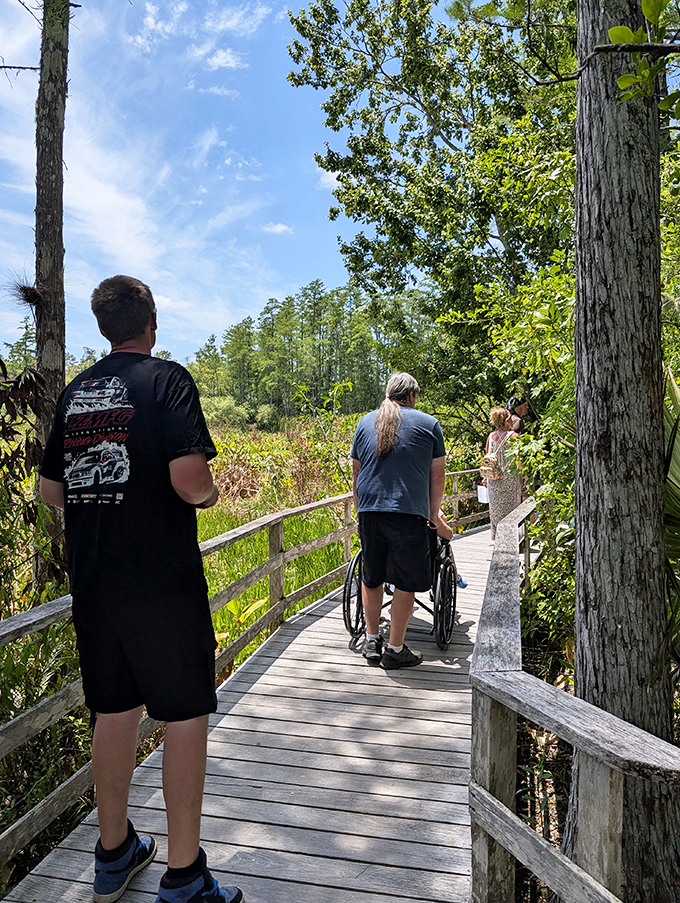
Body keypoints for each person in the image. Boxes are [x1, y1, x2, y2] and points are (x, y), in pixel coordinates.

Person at [39, 276, 242, 903]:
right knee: (182, 717)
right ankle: (183, 878)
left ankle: (113, 852)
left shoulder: (77, 392)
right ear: (151, 321)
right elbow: (188, 478)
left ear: (105, 326)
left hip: (96, 585)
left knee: (114, 711)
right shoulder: (167, 380)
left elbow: (51, 490)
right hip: (162, 583)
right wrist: (209, 492)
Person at [350, 372, 446, 669]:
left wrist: (360, 507)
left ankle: (371, 638)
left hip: (370, 510)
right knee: (406, 582)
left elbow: (356, 472)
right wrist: (433, 514)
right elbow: (438, 476)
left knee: (372, 575)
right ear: (412, 397)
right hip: (408, 514)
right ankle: (395, 648)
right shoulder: (429, 424)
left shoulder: (365, 422)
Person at [483, 406, 522, 541]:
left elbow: (488, 458)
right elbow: (520, 461)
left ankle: (498, 537)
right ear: (505, 420)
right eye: (510, 418)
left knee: (496, 510)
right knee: (512, 509)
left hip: (494, 481)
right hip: (511, 480)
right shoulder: (514, 437)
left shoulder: (490, 437)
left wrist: (485, 478)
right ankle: (511, 538)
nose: (512, 420)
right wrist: (526, 478)